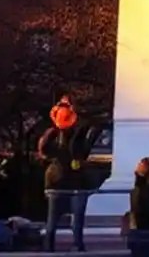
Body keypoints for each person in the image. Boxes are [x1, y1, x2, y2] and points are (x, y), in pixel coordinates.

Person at [39, 98, 101, 252]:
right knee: (63, 220)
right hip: (66, 182)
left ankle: (60, 245)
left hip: (62, 182)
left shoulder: (69, 135)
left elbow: (45, 149)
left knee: (56, 220)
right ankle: (72, 245)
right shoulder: (63, 135)